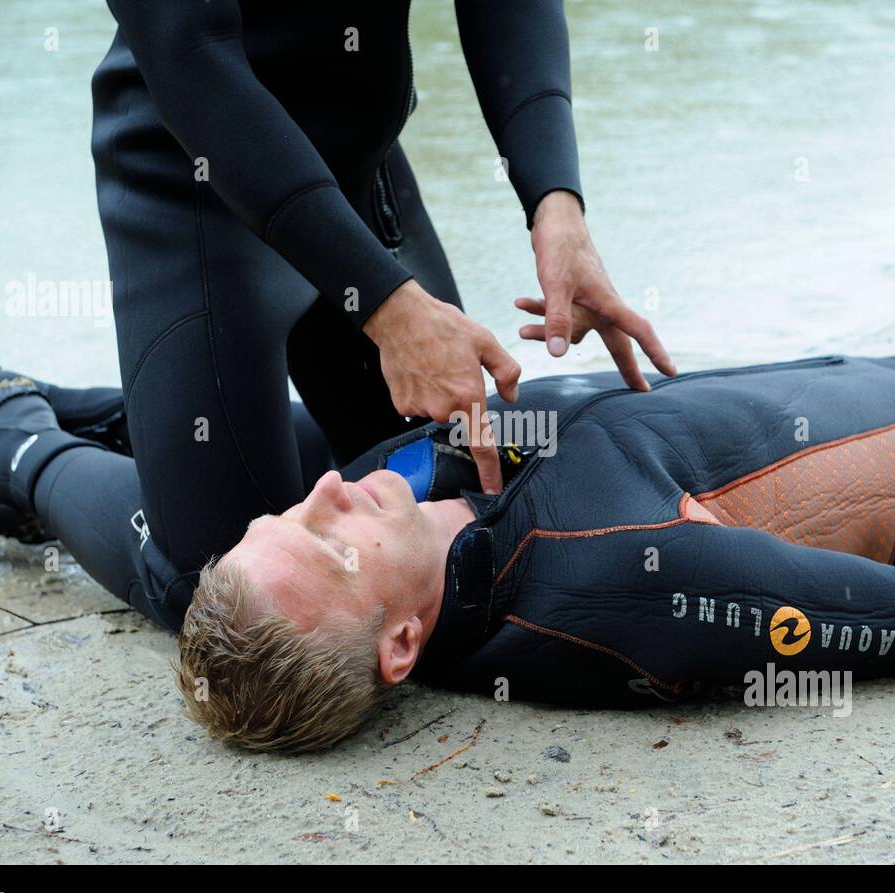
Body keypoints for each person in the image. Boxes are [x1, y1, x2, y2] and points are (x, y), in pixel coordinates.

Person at [0, 203, 895, 752]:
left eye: (294, 512)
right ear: (398, 650)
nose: (329, 496)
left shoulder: (412, 511)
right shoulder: (615, 579)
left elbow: (309, 511)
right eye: (327, 545)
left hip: (816, 374)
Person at [86, 0, 674, 615]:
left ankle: (150, 423)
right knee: (225, 591)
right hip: (192, 177)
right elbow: (189, 54)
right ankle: (20, 441)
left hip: (354, 173)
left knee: (460, 486)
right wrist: (390, 310)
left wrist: (555, 201)